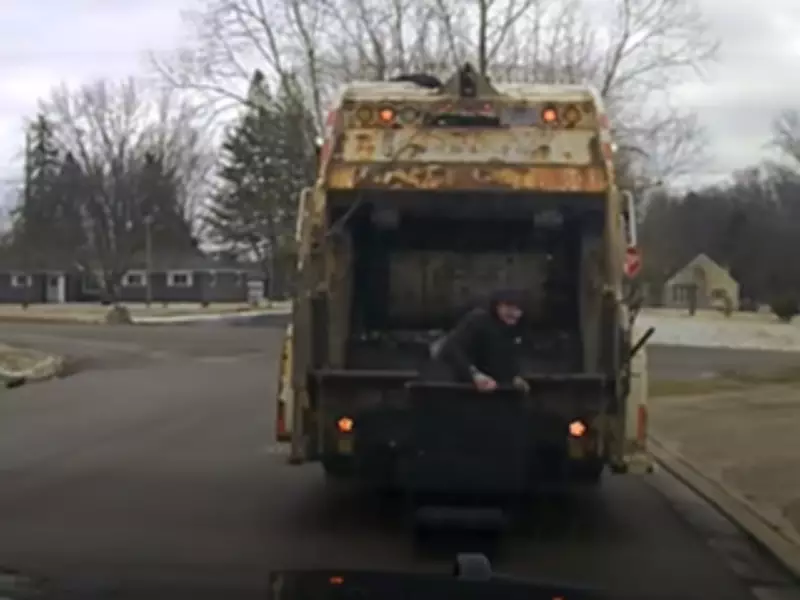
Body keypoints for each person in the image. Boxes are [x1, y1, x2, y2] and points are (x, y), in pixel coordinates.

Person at [432, 289, 531, 393]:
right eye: (509, 308)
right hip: (450, 372)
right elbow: (453, 349)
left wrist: (513, 376)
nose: (514, 314)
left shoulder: (517, 327)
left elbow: (505, 356)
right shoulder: (478, 320)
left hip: (485, 378)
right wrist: (474, 375)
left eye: (518, 310)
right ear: (497, 306)